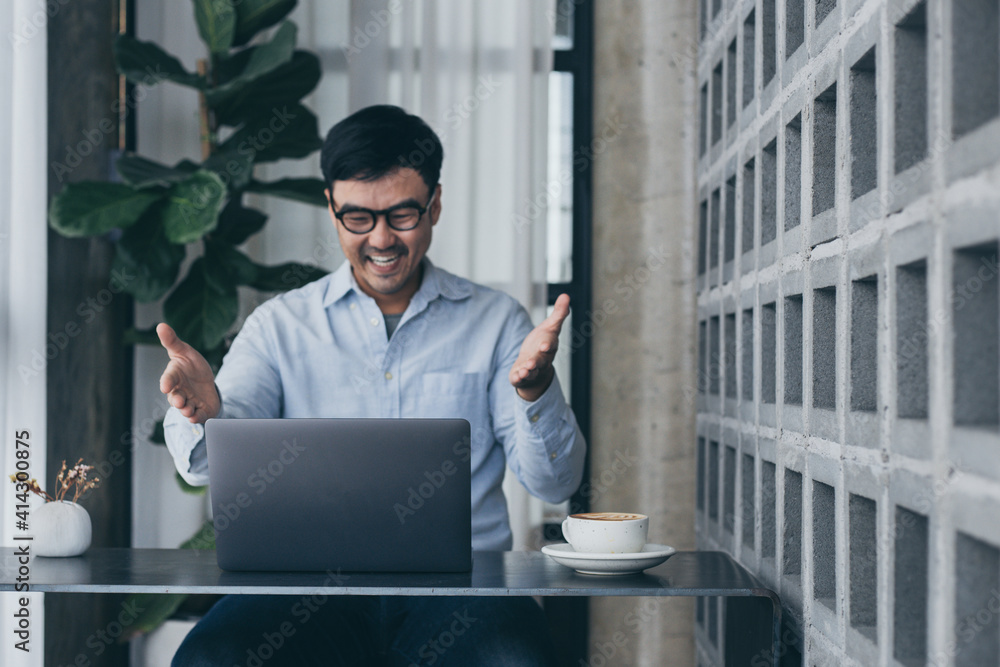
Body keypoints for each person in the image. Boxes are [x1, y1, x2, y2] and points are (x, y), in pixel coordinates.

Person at [158, 104, 586, 666]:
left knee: (514, 658)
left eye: (402, 215)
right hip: (305, 590)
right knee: (212, 657)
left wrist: (537, 393)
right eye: (357, 217)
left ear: (435, 203)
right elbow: (201, 465)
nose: (381, 239)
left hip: (465, 590)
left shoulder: (497, 322)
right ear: (331, 209)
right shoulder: (280, 325)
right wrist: (204, 415)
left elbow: (556, 483)